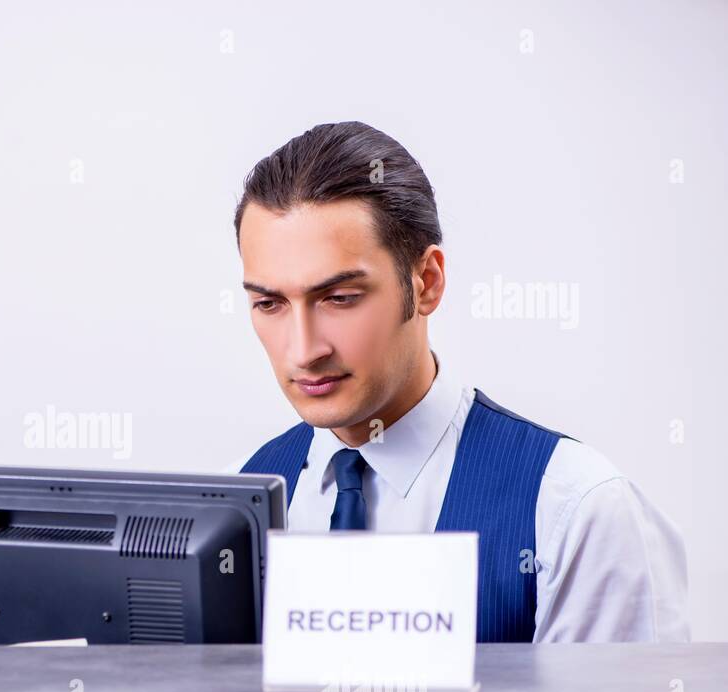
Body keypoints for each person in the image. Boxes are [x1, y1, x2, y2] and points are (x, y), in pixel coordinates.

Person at [230, 121, 688, 643]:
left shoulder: (578, 510)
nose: (304, 349)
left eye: (340, 298)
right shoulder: (235, 499)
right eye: (269, 303)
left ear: (426, 282)